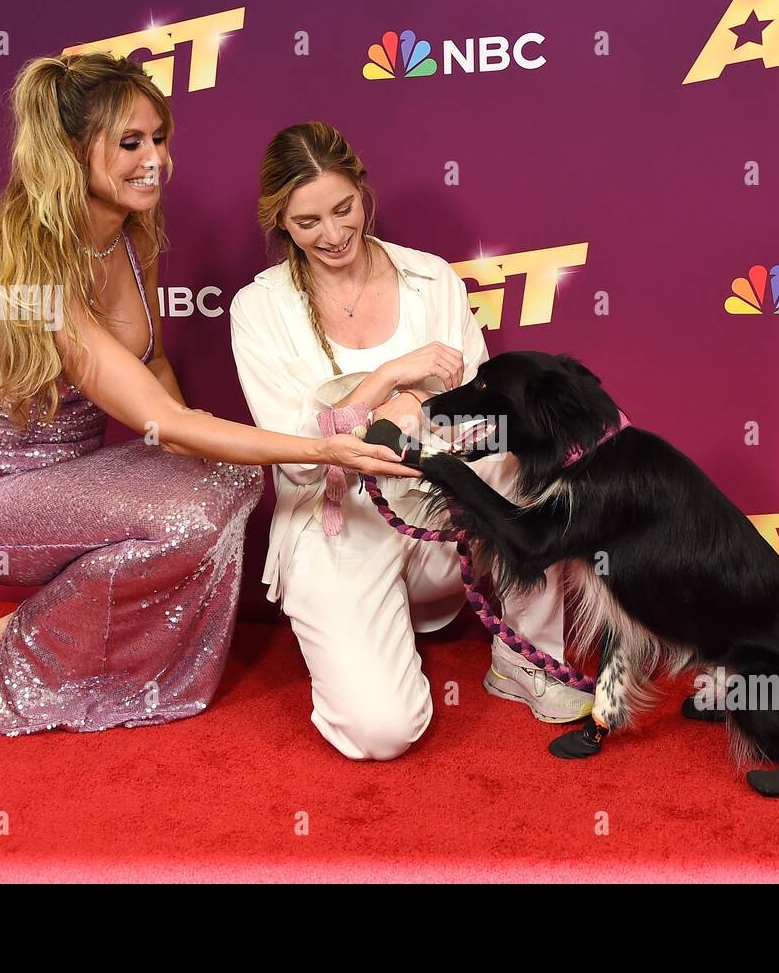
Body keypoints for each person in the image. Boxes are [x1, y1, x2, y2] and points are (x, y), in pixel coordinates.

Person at [0, 57, 414, 737]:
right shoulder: (40, 274)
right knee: (194, 506)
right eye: (131, 143)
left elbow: (152, 362)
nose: (156, 160)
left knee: (229, 477)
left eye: (160, 139)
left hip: (69, 467)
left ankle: (63, 640)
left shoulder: (130, 235)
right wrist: (325, 448)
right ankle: (28, 639)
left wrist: (200, 452)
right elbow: (166, 422)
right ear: (71, 151)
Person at [229, 121, 592, 761]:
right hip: (338, 524)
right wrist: (388, 380)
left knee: (531, 445)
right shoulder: (259, 309)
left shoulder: (430, 280)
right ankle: (371, 637)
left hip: (440, 508)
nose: (335, 235)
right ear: (280, 221)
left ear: (364, 191)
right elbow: (299, 457)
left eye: (344, 209)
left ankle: (527, 653)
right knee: (381, 732)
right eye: (307, 221)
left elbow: (488, 422)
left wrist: (414, 406)